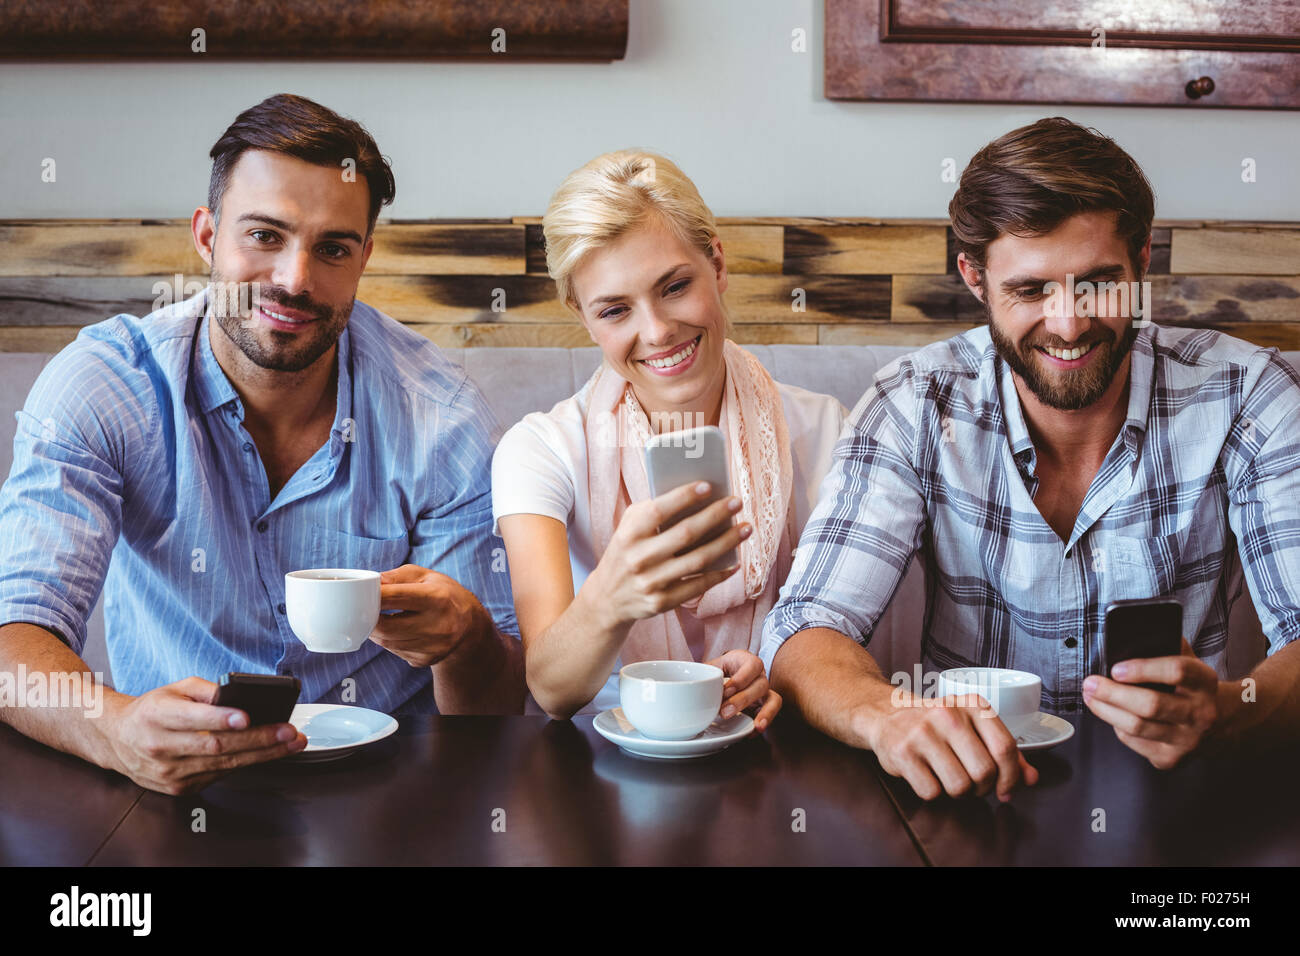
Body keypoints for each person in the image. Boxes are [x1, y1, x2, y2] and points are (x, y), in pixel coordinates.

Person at [761, 117, 1300, 802]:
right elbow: (807, 627)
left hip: (1184, 798)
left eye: (1098, 283)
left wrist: (1226, 713)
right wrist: (888, 718)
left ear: (1141, 261)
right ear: (975, 279)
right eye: (1030, 290)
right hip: (971, 799)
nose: (1069, 323)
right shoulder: (914, 402)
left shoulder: (1247, 394)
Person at [0, 94, 524, 795]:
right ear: (207, 236)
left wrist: (467, 640)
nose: (295, 279)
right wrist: (113, 729)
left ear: (364, 257)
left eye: (332, 248)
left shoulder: (442, 417)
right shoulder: (105, 386)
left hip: (393, 789)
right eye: (265, 236)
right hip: (166, 782)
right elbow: (14, 638)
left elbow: (494, 713)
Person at [492, 150, 846, 723]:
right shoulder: (540, 450)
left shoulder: (827, 431)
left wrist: (782, 673)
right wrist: (614, 596)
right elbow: (551, 690)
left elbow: (853, 635)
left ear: (718, 264)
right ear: (582, 315)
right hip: (602, 766)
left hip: (770, 760)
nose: (656, 331)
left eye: (675, 286)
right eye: (614, 311)